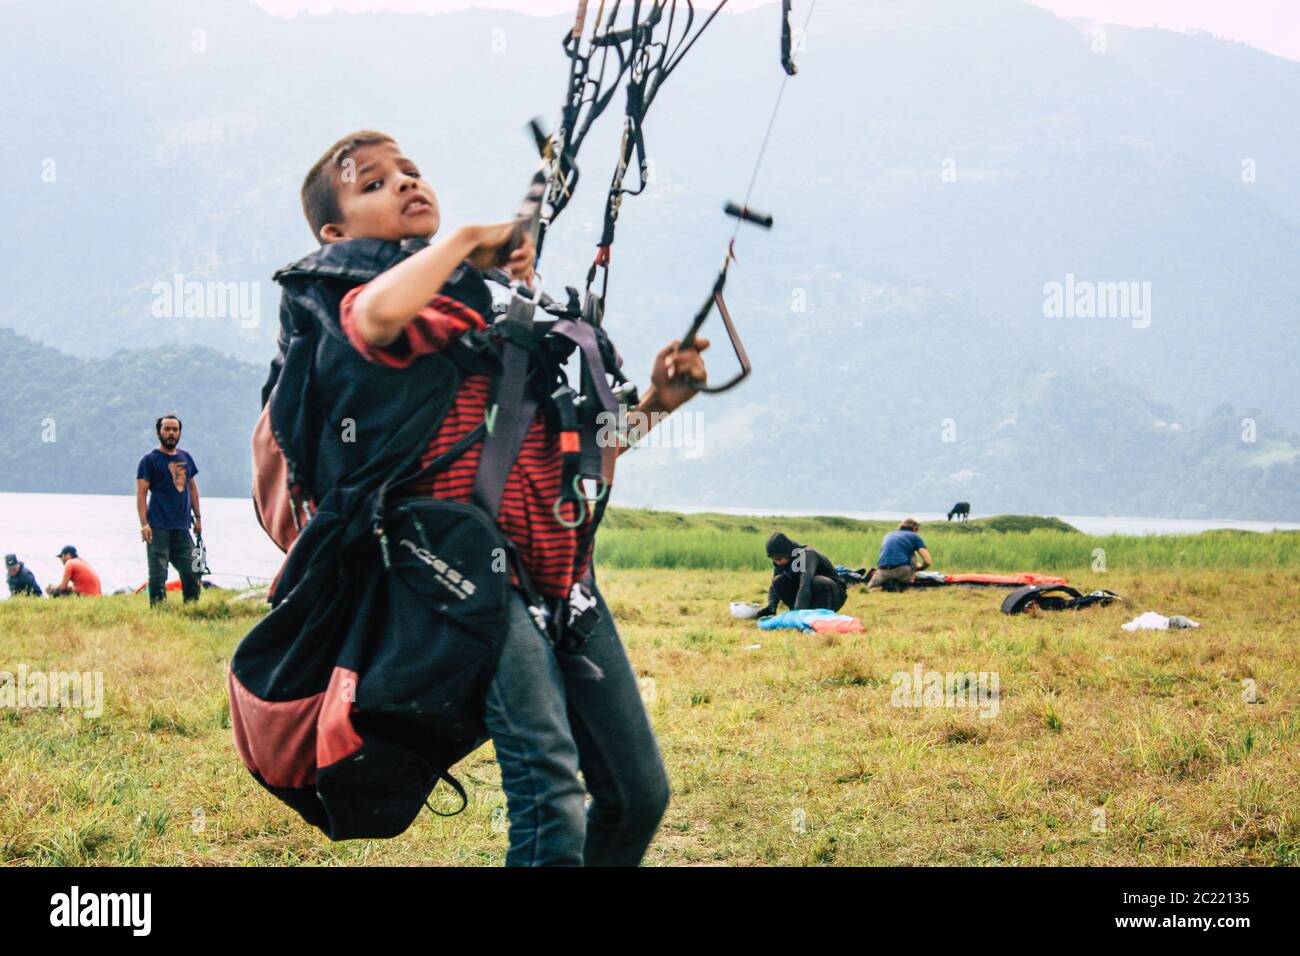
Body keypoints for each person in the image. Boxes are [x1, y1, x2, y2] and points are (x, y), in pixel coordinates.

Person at [268, 130, 709, 865]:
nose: (407, 183)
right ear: (335, 234)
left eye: (411, 170)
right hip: (466, 573)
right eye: (374, 184)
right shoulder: (352, 305)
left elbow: (569, 442)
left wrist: (660, 401)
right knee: (549, 788)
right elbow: (374, 315)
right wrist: (470, 240)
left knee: (638, 795)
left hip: (561, 575)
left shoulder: (487, 310)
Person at [136, 414, 203, 605]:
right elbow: (141, 494)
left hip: (182, 527)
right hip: (158, 526)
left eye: (175, 429)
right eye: (167, 429)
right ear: (159, 432)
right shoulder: (150, 460)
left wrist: (198, 518)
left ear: (179, 432)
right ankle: (159, 611)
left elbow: (192, 488)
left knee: (192, 570)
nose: (171, 433)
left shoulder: (186, 458)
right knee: (158, 574)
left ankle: (191, 607)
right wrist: (144, 524)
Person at [757, 531, 846, 615]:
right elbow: (774, 586)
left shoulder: (807, 555)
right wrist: (771, 606)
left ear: (788, 553)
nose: (777, 562)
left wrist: (798, 613)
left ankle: (821, 615)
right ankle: (798, 611)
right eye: (774, 560)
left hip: (833, 595)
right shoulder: (782, 559)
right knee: (778, 581)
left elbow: (805, 585)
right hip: (810, 595)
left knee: (817, 581)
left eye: (779, 559)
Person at [868, 518, 932, 591]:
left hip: (882, 570)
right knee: (912, 555)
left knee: (870, 588)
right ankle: (908, 582)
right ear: (914, 528)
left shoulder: (888, 535)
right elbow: (928, 561)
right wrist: (919, 568)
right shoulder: (914, 536)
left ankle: (883, 587)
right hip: (902, 571)